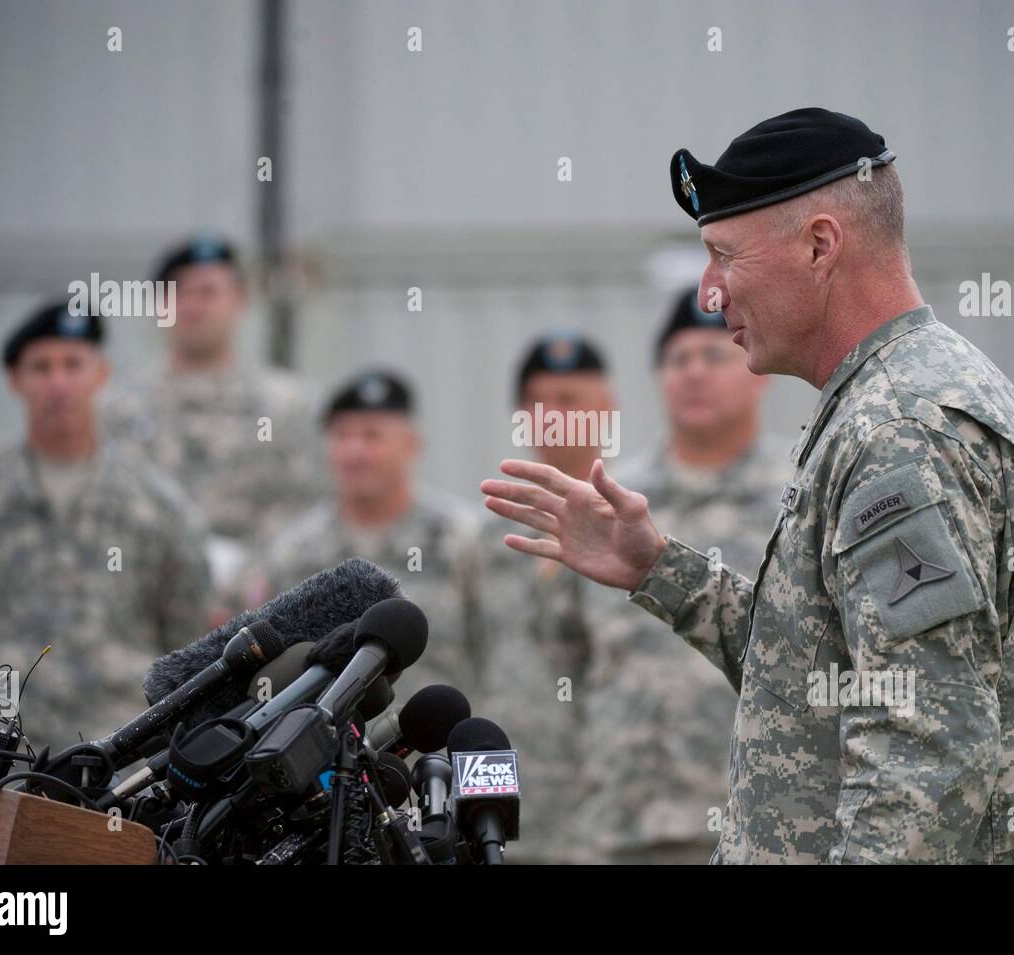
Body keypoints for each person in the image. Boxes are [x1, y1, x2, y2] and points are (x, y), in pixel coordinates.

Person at [482, 108, 1014, 864]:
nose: (709, 292)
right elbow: (828, 679)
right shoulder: (918, 395)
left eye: (725, 256)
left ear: (821, 245)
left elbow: (924, 744)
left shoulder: (898, 428)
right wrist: (661, 571)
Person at [0, 303, 212, 750]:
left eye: (73, 365)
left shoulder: (158, 506)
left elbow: (185, 643)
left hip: (113, 759)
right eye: (41, 367)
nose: (58, 383)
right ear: (15, 380)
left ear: (101, 374)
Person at [578, 289, 788, 864]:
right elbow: (567, 659)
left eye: (713, 356)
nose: (694, 373)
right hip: (619, 830)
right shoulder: (612, 503)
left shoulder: (800, 495)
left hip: (759, 829)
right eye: (678, 360)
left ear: (757, 374)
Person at [238, 370, 484, 707]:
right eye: (341, 436)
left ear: (411, 445)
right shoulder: (293, 552)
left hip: (431, 748)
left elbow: (494, 656)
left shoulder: (464, 541)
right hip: (323, 751)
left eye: (372, 436)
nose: (355, 452)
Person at [101, 237, 327, 592]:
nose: (193, 306)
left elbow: (308, 513)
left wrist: (247, 579)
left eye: (207, 292)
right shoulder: (117, 410)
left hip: (261, 614)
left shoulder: (290, 407)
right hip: (146, 608)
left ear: (239, 300)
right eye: (179, 293)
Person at [476, 332, 613, 862]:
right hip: (507, 813)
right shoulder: (482, 540)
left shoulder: (638, 531)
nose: (557, 414)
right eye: (542, 400)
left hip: (610, 812)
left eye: (573, 399)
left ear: (608, 409)